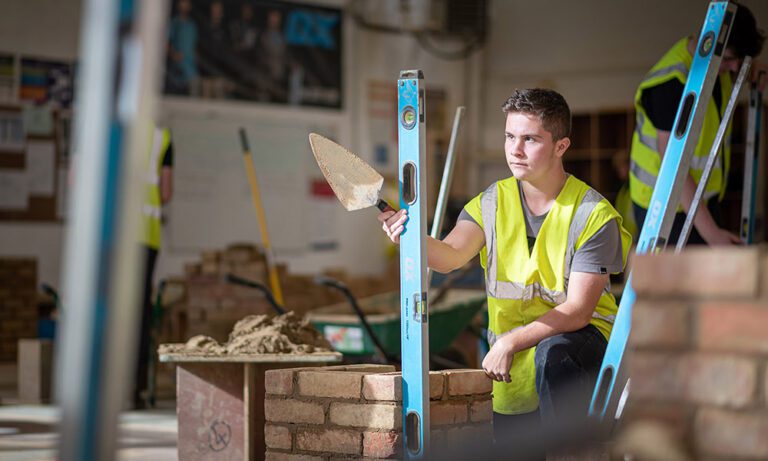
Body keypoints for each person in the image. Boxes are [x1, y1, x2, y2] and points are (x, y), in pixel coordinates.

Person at [379, 89, 632, 446]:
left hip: (579, 357)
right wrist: (409, 238)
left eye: (530, 139)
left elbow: (577, 312)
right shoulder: (491, 202)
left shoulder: (593, 215)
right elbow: (450, 256)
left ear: (561, 146)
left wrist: (511, 341)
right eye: (510, 137)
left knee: (556, 355)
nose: (515, 150)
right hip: (512, 369)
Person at [629, 3, 765, 246]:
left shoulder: (716, 65)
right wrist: (711, 233)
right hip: (664, 205)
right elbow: (672, 167)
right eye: (732, 59)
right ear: (712, 45)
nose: (734, 68)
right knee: (673, 283)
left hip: (700, 198)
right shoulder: (670, 84)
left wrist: (750, 68)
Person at [134, 125, 174, 409]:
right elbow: (166, 191)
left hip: (105, 237)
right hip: (145, 236)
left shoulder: (94, 125)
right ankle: (134, 391)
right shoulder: (161, 138)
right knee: (138, 314)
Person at [166, 0, 198, 96]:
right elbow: (165, 44)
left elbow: (194, 46)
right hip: (178, 69)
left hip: (191, 69)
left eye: (186, 3)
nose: (184, 5)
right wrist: (174, 55)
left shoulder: (192, 25)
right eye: (182, 3)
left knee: (194, 96)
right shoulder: (174, 23)